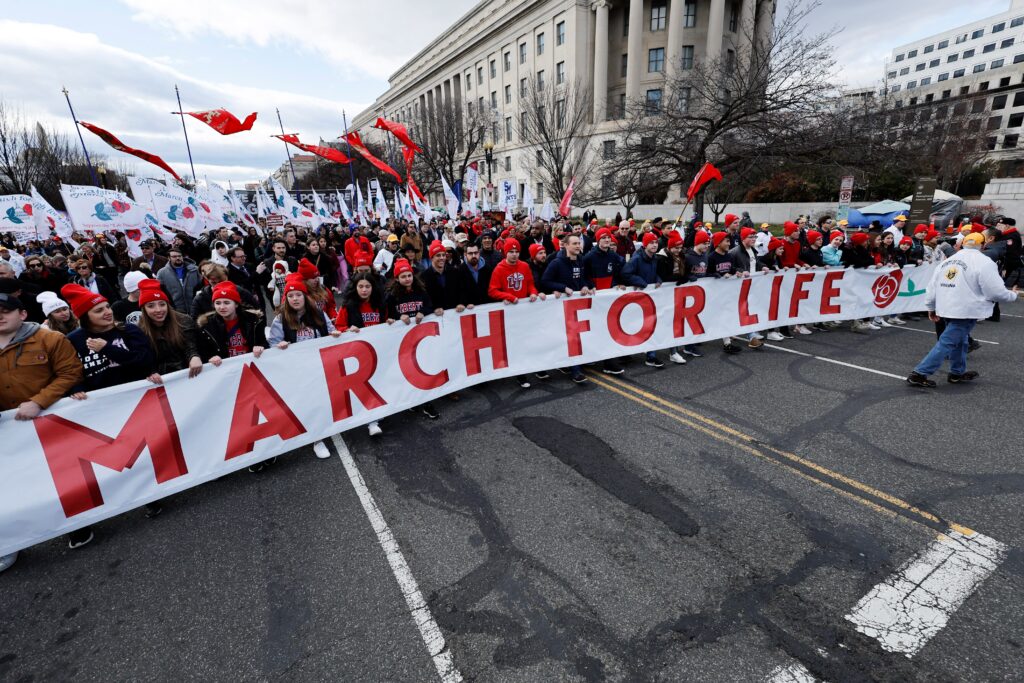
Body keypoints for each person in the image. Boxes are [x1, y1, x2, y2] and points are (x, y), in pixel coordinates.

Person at [60, 282, 156, 546]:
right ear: (85, 317)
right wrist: (76, 389)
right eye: (98, 311)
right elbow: (69, 372)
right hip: (99, 411)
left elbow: (144, 361)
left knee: (141, 453)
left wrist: (107, 349)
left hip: (134, 404)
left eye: (106, 307)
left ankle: (151, 496)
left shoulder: (128, 330)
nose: (107, 313)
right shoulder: (73, 341)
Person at [0, 282, 84, 572]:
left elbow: (71, 371)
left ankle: (77, 525)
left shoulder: (48, 339)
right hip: (9, 433)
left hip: (49, 424)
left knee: (61, 479)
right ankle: (12, 542)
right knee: (16, 485)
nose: (0, 316)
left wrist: (41, 400)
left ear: (22, 314)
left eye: (5, 311)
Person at [907, 233, 1019, 387]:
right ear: (983, 245)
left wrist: (931, 307)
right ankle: (920, 373)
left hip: (945, 306)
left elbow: (932, 286)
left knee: (961, 340)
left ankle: (957, 372)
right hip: (966, 309)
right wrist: (1012, 295)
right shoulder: (984, 262)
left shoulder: (948, 261)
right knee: (947, 342)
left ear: (962, 244)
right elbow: (995, 291)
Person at [267, 273, 341, 458]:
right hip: (297, 370)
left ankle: (326, 428)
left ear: (304, 296)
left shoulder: (317, 312)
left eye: (298, 295)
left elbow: (330, 330)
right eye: (290, 296)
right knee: (309, 403)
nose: (295, 299)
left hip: (320, 366)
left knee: (324, 399)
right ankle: (317, 439)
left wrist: (334, 334)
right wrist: (279, 346)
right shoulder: (281, 319)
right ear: (286, 299)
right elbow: (273, 344)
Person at [385, 259, 442, 417]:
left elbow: (429, 304)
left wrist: (423, 311)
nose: (407, 279)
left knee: (423, 368)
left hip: (421, 339)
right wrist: (397, 316)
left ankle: (426, 403)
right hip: (402, 341)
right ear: (397, 278)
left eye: (409, 275)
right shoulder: (392, 296)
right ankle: (412, 401)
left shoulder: (421, 291)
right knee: (408, 370)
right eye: (403, 276)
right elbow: (387, 313)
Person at [333, 273, 387, 437]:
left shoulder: (380, 304)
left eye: (368, 286)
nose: (364, 290)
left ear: (373, 288)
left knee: (378, 383)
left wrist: (390, 323)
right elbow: (339, 326)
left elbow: (385, 323)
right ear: (355, 288)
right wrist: (348, 330)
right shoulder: (348, 306)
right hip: (357, 354)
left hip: (377, 350)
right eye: (361, 286)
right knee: (364, 387)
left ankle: (376, 415)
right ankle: (371, 422)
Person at [488, 239, 544, 388]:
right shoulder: (499, 268)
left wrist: (533, 293)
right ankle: (516, 373)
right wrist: (508, 297)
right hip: (509, 312)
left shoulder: (524, 266)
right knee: (511, 343)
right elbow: (492, 291)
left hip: (524, 311)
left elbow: (531, 284)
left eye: (516, 252)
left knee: (525, 341)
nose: (514, 255)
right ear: (505, 253)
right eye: (511, 252)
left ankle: (526, 371)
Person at [540, 234, 592, 384]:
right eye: (574, 243)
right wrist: (562, 288)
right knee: (569, 337)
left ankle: (574, 365)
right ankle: (575, 370)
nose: (578, 246)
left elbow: (582, 278)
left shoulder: (581, 260)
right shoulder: (557, 263)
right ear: (566, 246)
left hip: (577, 305)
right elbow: (545, 281)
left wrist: (585, 286)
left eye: (579, 243)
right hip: (561, 306)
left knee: (577, 336)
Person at [622, 233, 667, 366]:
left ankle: (651, 356)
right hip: (636, 298)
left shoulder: (654, 258)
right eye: (651, 243)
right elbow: (625, 273)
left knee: (651, 325)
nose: (654, 245)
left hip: (650, 297)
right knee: (633, 326)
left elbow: (655, 273)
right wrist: (640, 281)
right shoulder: (636, 259)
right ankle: (625, 353)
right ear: (644, 245)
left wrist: (658, 279)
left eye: (655, 243)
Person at [421, 240, 463, 316]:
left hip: (455, 314)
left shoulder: (454, 272)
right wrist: (434, 308)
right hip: (436, 317)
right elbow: (424, 299)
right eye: (438, 255)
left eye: (443, 255)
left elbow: (461, 290)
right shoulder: (424, 276)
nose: (442, 258)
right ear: (431, 258)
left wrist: (461, 303)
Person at [156, 248, 202, 314]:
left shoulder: (194, 269)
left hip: (195, 307)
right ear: (169, 258)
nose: (178, 258)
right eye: (174, 256)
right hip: (176, 310)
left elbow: (202, 285)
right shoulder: (162, 273)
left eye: (179, 256)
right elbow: (160, 291)